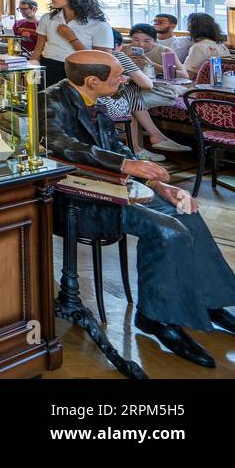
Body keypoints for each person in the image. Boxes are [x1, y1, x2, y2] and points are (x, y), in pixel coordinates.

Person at [42, 49, 235, 368]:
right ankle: (156, 317)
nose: (125, 79)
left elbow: (115, 146)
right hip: (78, 199)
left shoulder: (95, 101)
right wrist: (128, 164)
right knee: (167, 231)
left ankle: (208, 299)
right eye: (119, 75)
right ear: (92, 81)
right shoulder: (50, 101)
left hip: (112, 188)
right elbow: (63, 145)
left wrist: (161, 185)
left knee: (185, 209)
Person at [103, 26, 189, 160]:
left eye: (146, 41)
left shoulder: (164, 51)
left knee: (129, 103)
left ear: (155, 40)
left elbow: (183, 75)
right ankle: (144, 145)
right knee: (129, 99)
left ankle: (138, 148)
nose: (140, 44)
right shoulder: (124, 50)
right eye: (136, 40)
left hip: (161, 91)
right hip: (133, 89)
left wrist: (150, 64)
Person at [31, 0, 113, 85]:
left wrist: (71, 38)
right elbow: (38, 49)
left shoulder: (100, 25)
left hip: (79, 71)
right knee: (43, 101)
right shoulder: (47, 18)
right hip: (48, 67)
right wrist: (33, 68)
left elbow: (102, 61)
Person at [182, 12, 229, 78]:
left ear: (193, 28)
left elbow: (190, 74)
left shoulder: (198, 47)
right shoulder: (221, 46)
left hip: (203, 84)